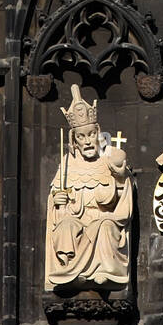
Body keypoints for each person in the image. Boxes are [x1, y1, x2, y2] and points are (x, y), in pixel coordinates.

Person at [44, 86, 132, 289]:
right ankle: (68, 269)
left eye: (91, 135)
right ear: (74, 140)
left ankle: (105, 269)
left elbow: (122, 188)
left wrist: (118, 178)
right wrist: (57, 201)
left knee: (105, 226)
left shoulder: (108, 159)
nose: (87, 141)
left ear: (98, 133)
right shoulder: (67, 163)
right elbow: (56, 197)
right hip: (76, 220)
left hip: (103, 219)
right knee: (66, 226)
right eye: (81, 137)